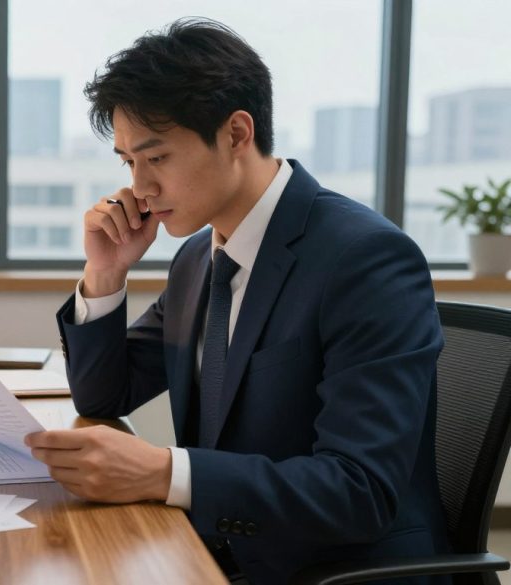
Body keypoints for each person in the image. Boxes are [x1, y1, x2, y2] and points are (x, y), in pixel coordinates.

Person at [24, 18, 450, 584]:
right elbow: (104, 394)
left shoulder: (366, 258)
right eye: (129, 163)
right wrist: (104, 275)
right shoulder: (200, 259)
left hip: (331, 570)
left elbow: (359, 491)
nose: (140, 188)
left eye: (157, 158)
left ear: (236, 134)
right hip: (214, 554)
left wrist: (163, 472)